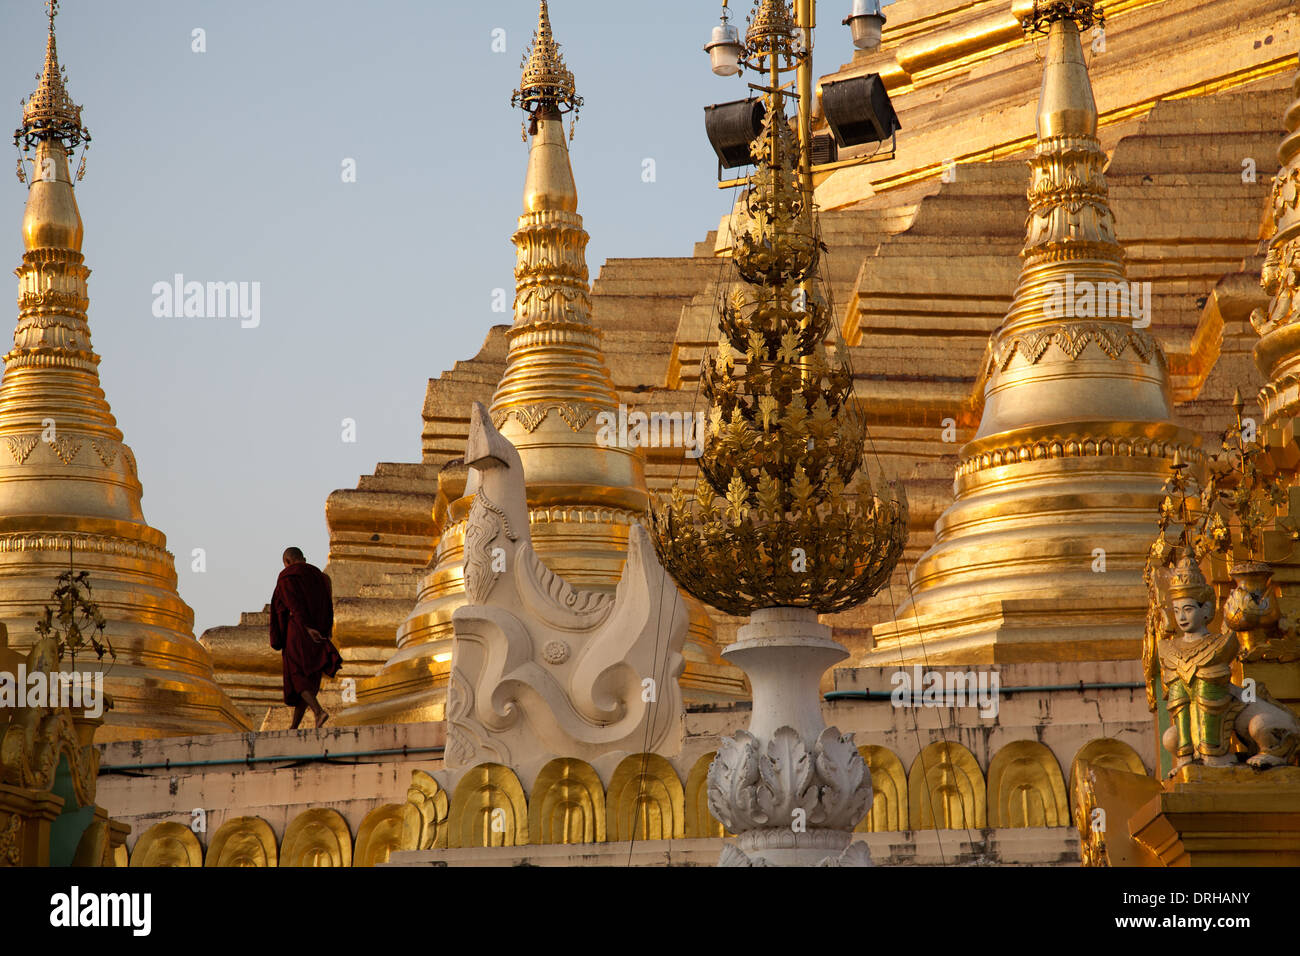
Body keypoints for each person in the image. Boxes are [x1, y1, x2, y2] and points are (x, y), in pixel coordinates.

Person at [269, 547, 342, 729]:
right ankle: (294, 726)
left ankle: (318, 711)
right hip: (320, 632)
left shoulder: (288, 575)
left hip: (299, 630)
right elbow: (328, 607)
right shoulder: (323, 578)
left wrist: (307, 628)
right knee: (308, 681)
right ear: (304, 558)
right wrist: (326, 632)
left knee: (297, 676)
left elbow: (293, 605)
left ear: (287, 561)